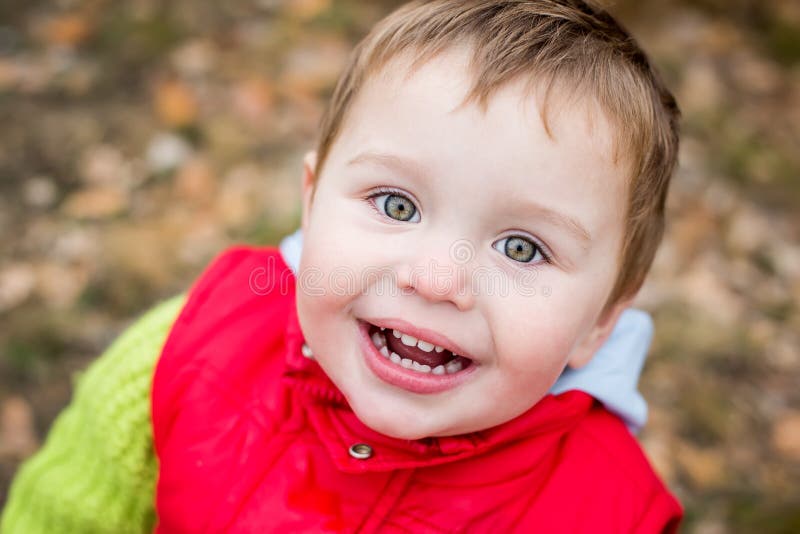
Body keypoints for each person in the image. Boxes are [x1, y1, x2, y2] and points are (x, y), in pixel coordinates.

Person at [1, 0, 682, 532]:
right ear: (312, 198)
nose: (435, 279)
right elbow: (62, 514)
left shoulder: (608, 513)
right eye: (395, 204)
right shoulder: (188, 348)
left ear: (601, 322)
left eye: (522, 248)